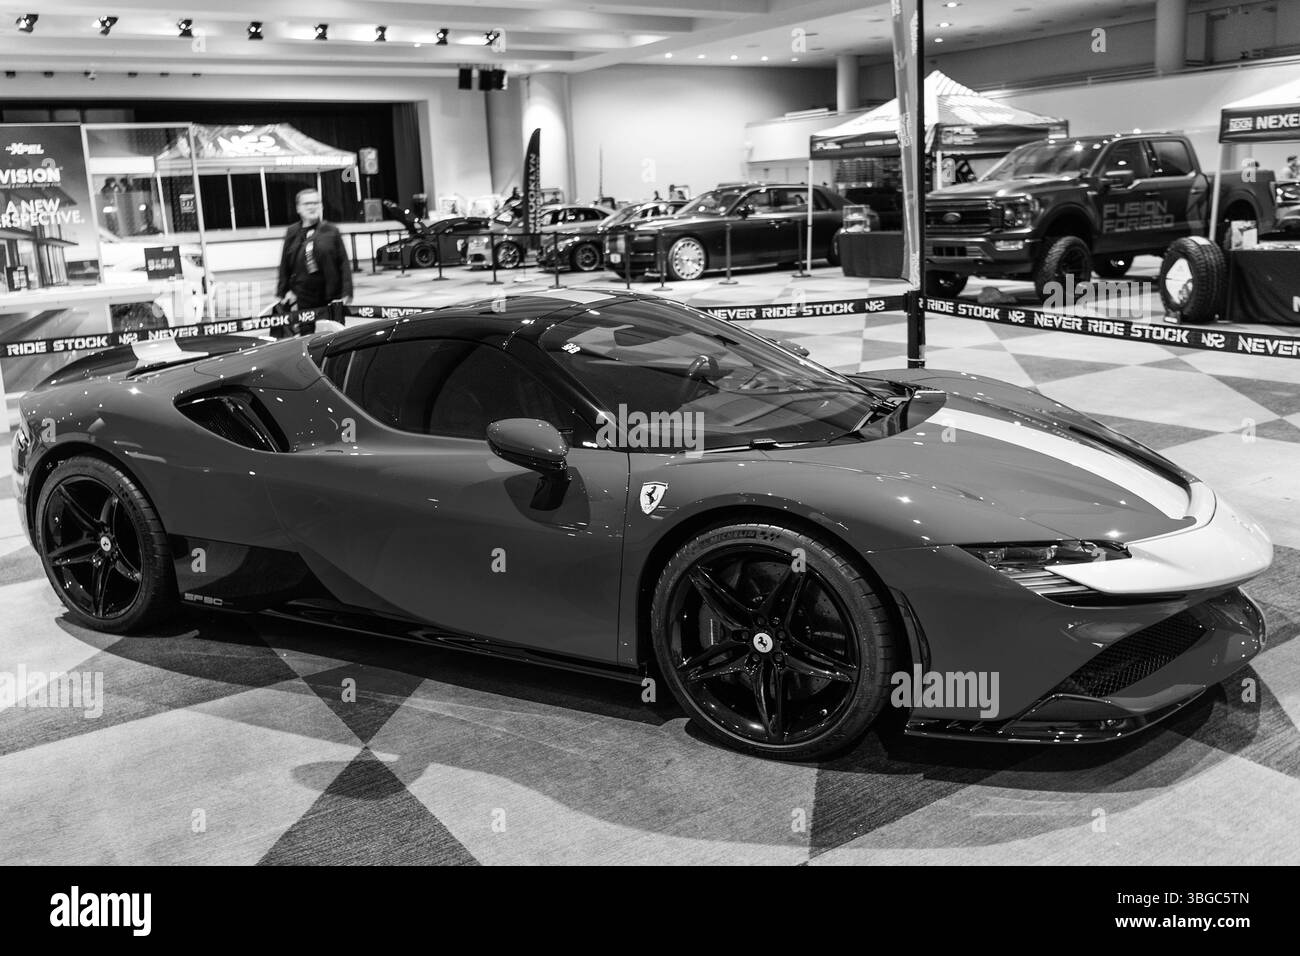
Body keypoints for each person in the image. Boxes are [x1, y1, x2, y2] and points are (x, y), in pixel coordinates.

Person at [276, 188, 352, 312]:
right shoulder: (292, 232)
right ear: (298, 208)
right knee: (307, 331)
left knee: (332, 331)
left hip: (331, 297)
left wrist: (347, 292)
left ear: (321, 206)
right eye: (307, 204)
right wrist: (282, 292)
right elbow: (285, 264)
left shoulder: (331, 231)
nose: (312, 207)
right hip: (303, 296)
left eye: (315, 203)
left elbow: (344, 263)